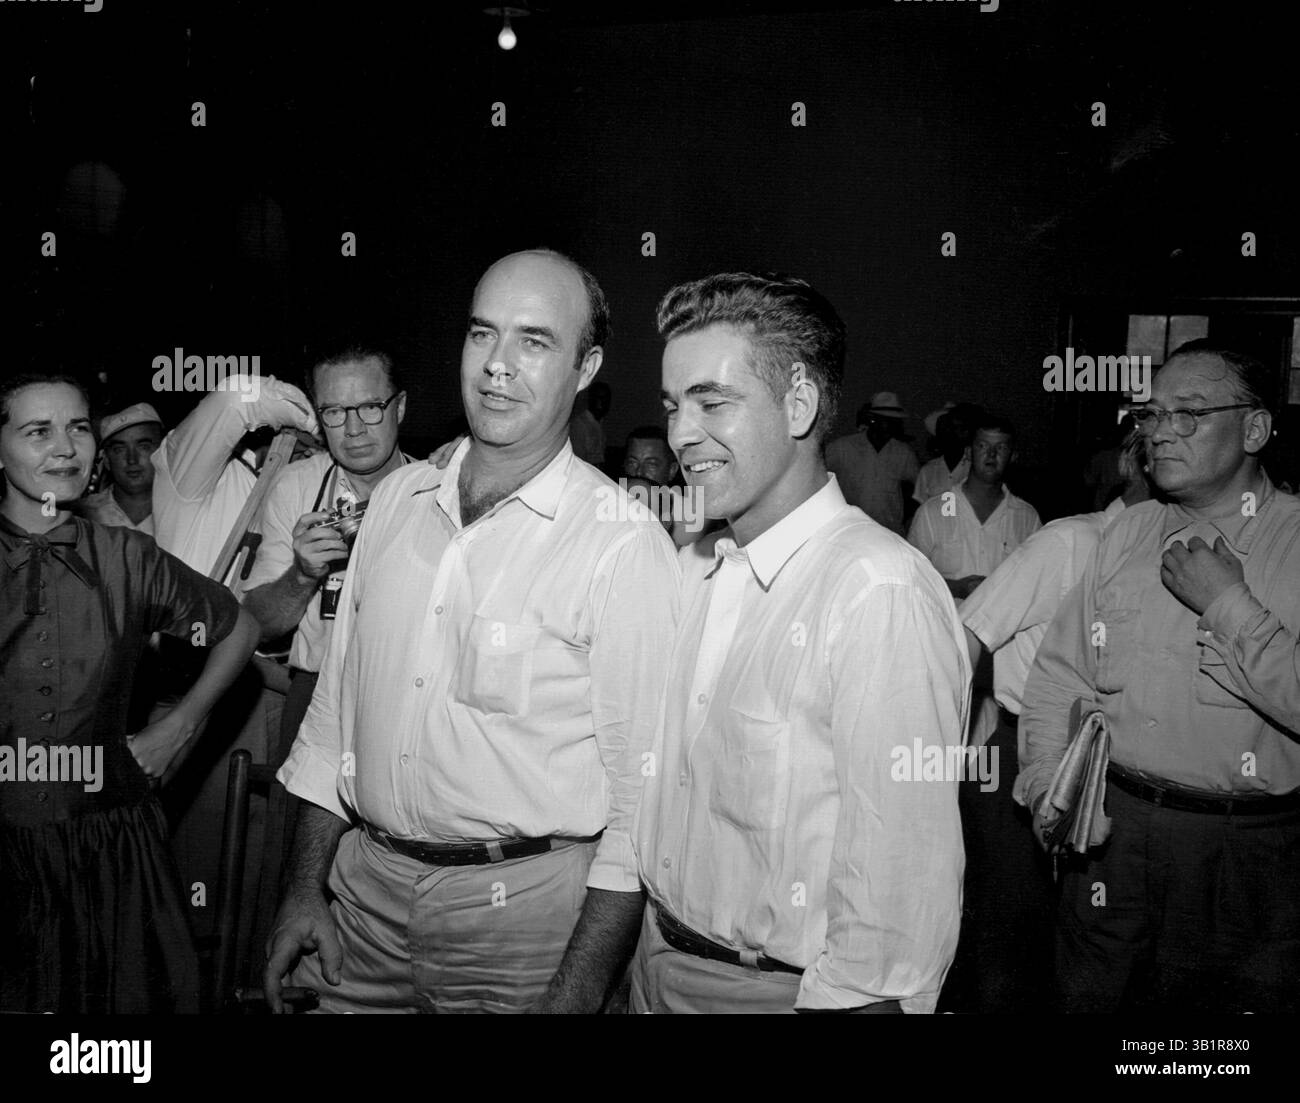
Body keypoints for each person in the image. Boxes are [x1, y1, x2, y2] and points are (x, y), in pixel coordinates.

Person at [266, 249, 679, 1014]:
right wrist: (301, 891)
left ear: (586, 367)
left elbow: (639, 805)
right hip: (361, 908)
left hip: (524, 928)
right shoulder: (394, 503)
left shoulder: (620, 543)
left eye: (534, 341)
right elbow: (333, 722)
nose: (496, 365)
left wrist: (580, 986)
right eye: (482, 333)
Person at [631, 272, 969, 1014]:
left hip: (776, 993)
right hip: (654, 964)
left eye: (712, 402)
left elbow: (892, 915)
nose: (681, 434)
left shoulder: (878, 591)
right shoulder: (704, 566)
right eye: (671, 406)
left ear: (800, 404)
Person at [1020, 340, 1300, 1013]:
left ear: (1255, 429)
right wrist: (1044, 786)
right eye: (1151, 415)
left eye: (1190, 414)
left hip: (1248, 853)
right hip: (1113, 833)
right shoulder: (1127, 533)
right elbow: (1060, 670)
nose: (1160, 433)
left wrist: (1228, 606)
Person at [0, 374, 260, 1013]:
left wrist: (180, 727)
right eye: (38, 431)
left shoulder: (128, 558)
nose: (65, 448)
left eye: (79, 428)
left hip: (110, 849)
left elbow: (239, 627)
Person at [941, 429, 1151, 1012]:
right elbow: (968, 637)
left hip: (1119, 768)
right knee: (1011, 918)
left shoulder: (1170, 552)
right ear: (1134, 465)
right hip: (1019, 751)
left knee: (1088, 924)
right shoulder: (1067, 542)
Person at [242, 346, 412, 765]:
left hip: (407, 695)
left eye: (371, 407)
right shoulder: (296, 486)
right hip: (315, 691)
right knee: (296, 828)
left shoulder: (435, 490)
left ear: (400, 407)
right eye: (334, 411)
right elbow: (259, 626)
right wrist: (301, 575)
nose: (353, 428)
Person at [908, 414, 1041, 599]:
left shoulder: (1026, 518)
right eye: (982, 446)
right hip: (947, 625)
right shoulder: (933, 512)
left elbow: (1037, 580)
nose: (991, 454)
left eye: (1001, 447)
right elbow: (911, 576)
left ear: (1013, 456)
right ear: (969, 452)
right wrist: (955, 588)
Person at [823, 392, 920, 535]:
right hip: (850, 532)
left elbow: (919, 487)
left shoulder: (903, 453)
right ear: (873, 420)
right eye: (887, 420)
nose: (892, 425)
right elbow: (817, 478)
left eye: (895, 421)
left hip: (888, 533)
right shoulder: (842, 448)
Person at [75, 402, 164, 534]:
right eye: (119, 449)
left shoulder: (182, 507)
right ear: (106, 460)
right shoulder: (81, 516)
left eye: (143, 446)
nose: (132, 459)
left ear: (162, 452)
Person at [914, 402, 981, 505]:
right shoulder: (928, 470)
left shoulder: (978, 468)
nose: (949, 432)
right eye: (944, 428)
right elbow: (920, 508)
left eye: (956, 428)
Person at [569, 379, 610, 468]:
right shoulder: (579, 425)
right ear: (591, 399)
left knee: (624, 481)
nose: (602, 402)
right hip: (585, 474)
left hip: (599, 475)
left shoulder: (601, 425)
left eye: (606, 399)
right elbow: (578, 461)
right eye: (599, 398)